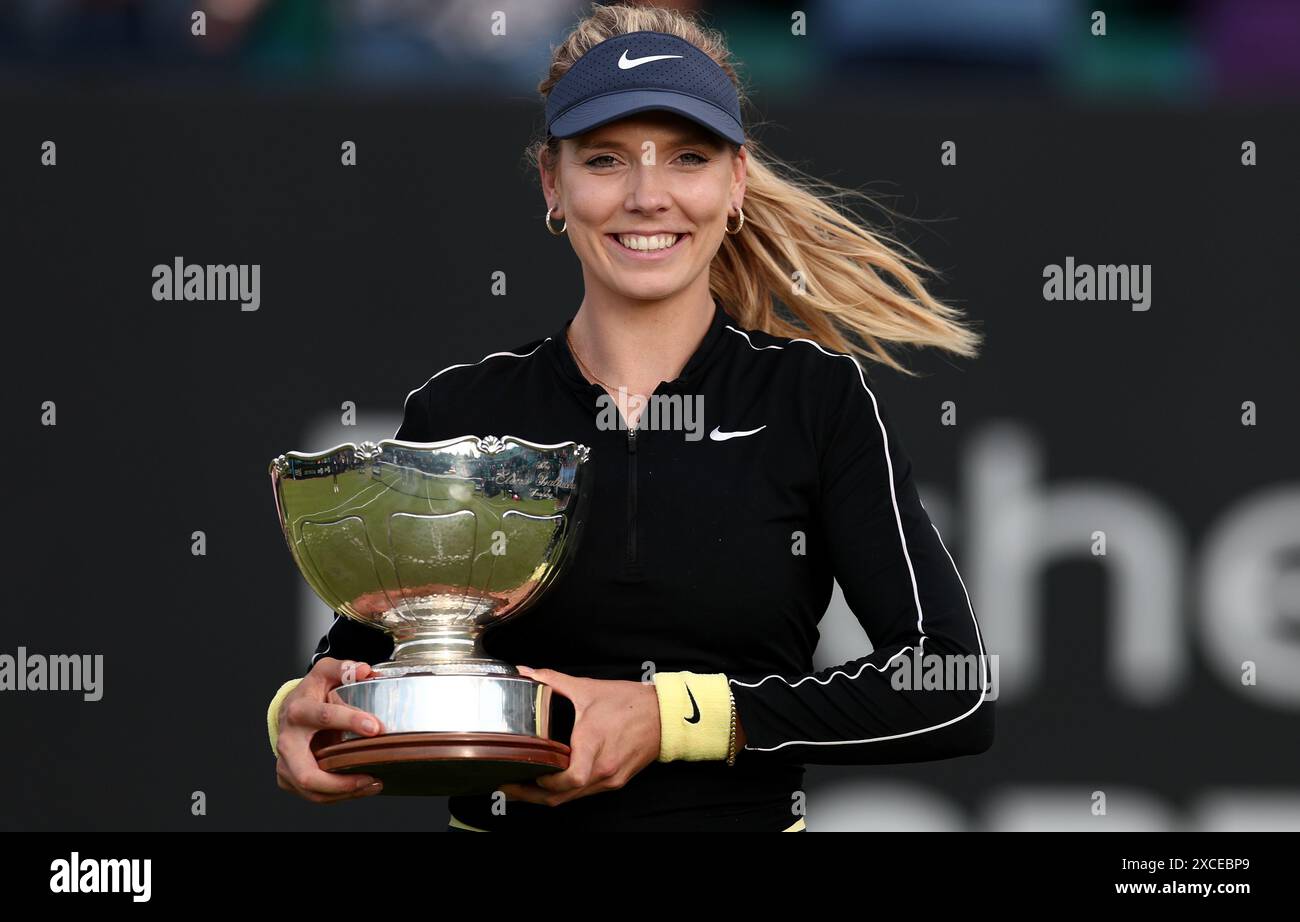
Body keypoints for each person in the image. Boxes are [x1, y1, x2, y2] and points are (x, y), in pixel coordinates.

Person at [267, 2, 992, 832]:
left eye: (688, 157)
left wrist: (669, 719)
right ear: (553, 183)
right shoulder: (463, 411)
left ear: (736, 183)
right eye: (606, 159)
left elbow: (951, 689)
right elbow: (361, 668)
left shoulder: (815, 401)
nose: (648, 197)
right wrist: (299, 710)